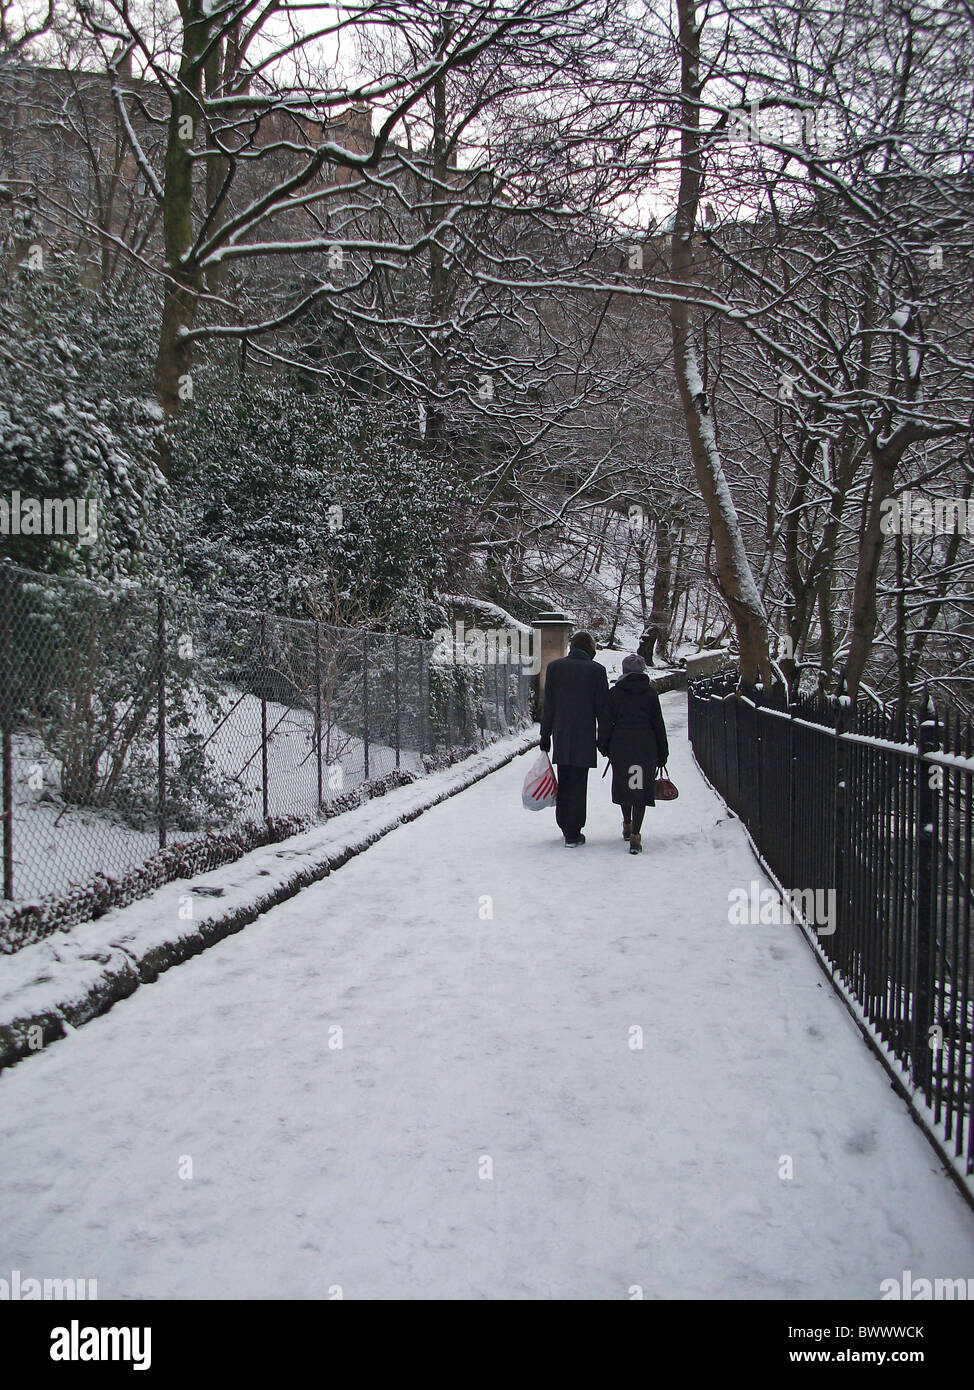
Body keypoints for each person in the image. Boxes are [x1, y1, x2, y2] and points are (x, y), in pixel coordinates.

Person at [538, 631, 609, 846]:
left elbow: (548, 705)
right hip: (584, 735)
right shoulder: (597, 671)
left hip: (562, 734)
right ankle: (574, 830)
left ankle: (564, 824)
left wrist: (545, 735)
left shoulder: (555, 668)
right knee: (579, 782)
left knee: (565, 780)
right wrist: (603, 739)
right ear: (589, 648)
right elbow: (603, 710)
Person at [597, 652, 669, 855]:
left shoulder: (615, 694)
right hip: (645, 747)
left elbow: (605, 723)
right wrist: (663, 752)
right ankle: (636, 834)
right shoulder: (650, 694)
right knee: (639, 788)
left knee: (625, 785)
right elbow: (658, 725)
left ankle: (627, 824)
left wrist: (604, 745)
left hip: (621, 747)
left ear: (624, 671)